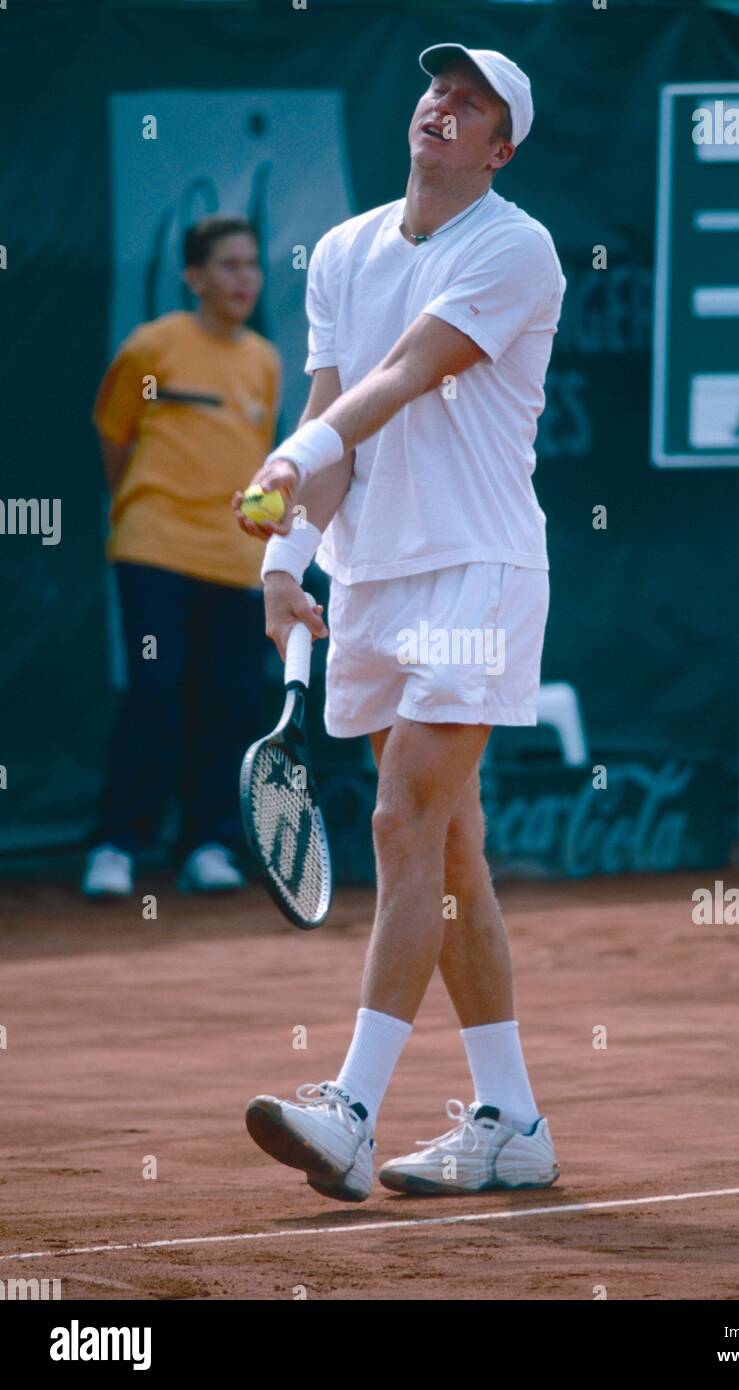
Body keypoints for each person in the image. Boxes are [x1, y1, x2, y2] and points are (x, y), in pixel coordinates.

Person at [236, 45, 566, 1200]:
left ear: (498, 148)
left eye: (472, 103)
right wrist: (289, 555)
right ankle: (510, 1120)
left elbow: (408, 375)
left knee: (398, 820)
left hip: (475, 572)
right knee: (452, 853)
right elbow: (334, 417)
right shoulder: (340, 248)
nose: (443, 105)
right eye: (437, 88)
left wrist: (289, 457)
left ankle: (353, 1109)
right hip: (373, 582)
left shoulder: (514, 248)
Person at [83, 215, 280, 897]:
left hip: (234, 563)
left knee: (225, 703)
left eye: (251, 264)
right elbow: (115, 438)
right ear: (193, 277)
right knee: (156, 690)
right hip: (155, 550)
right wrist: (143, 507)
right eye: (227, 265)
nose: (243, 278)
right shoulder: (151, 347)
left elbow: (258, 466)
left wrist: (265, 546)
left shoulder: (264, 361)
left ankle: (207, 843)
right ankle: (116, 844)